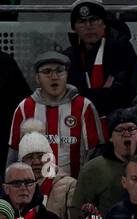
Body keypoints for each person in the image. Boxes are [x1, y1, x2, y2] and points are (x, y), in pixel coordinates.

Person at [7, 51, 105, 179]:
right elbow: (14, 155)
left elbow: (95, 154)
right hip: (34, 188)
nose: (54, 77)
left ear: (67, 75)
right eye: (47, 71)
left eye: (59, 71)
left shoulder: (84, 106)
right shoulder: (24, 108)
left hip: (74, 186)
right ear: (37, 78)